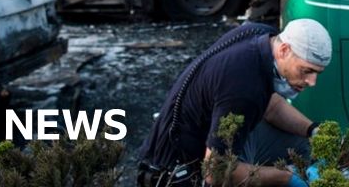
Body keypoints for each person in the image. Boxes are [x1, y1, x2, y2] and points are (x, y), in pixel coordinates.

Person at [138, 19, 332, 187]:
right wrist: (285, 178)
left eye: (317, 73)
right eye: (306, 71)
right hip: (173, 172)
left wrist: (313, 130)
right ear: (284, 50)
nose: (312, 82)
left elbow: (271, 106)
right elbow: (215, 172)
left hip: (204, 144)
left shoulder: (262, 36)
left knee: (304, 143)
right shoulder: (243, 87)